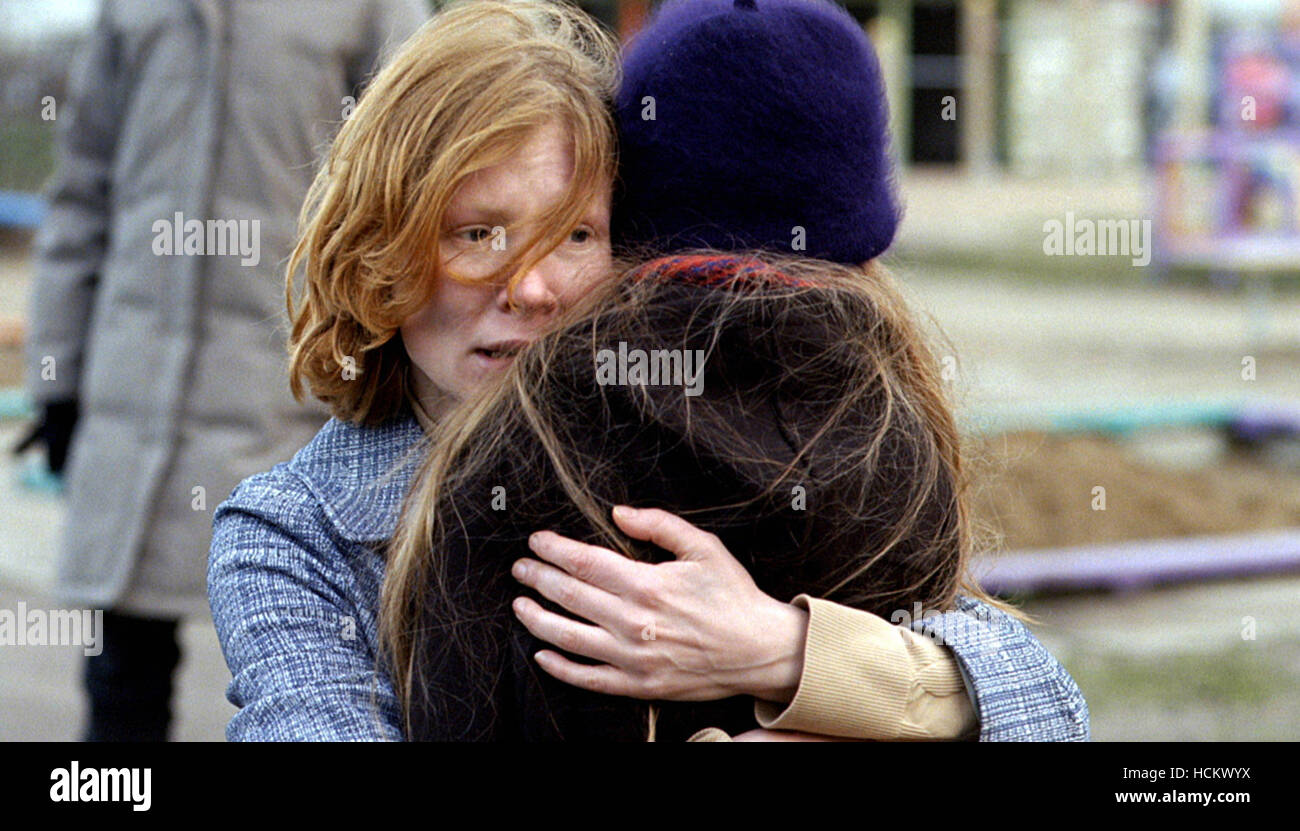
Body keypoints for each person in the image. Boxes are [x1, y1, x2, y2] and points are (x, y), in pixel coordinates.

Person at [209, 0, 1089, 741]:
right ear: (381, 252)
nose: (533, 286)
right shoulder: (295, 532)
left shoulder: (711, 434)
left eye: (576, 234)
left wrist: (782, 649)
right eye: (476, 233)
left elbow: (1046, 708)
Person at [16, 0, 426, 741]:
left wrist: (381, 380)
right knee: (118, 678)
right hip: (131, 391)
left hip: (299, 389)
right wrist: (58, 377)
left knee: (313, 658)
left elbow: (410, 184)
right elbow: (81, 193)